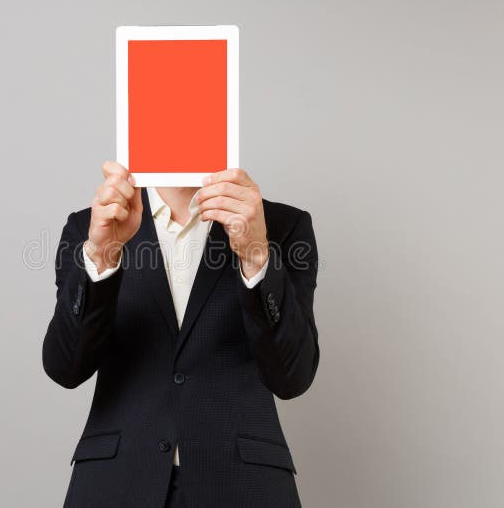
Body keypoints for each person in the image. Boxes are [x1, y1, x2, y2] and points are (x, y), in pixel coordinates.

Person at [43, 161, 320, 508]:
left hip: (243, 486)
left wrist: (255, 252)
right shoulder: (91, 226)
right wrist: (101, 255)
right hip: (117, 483)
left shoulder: (280, 226)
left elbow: (292, 376)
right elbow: (65, 367)